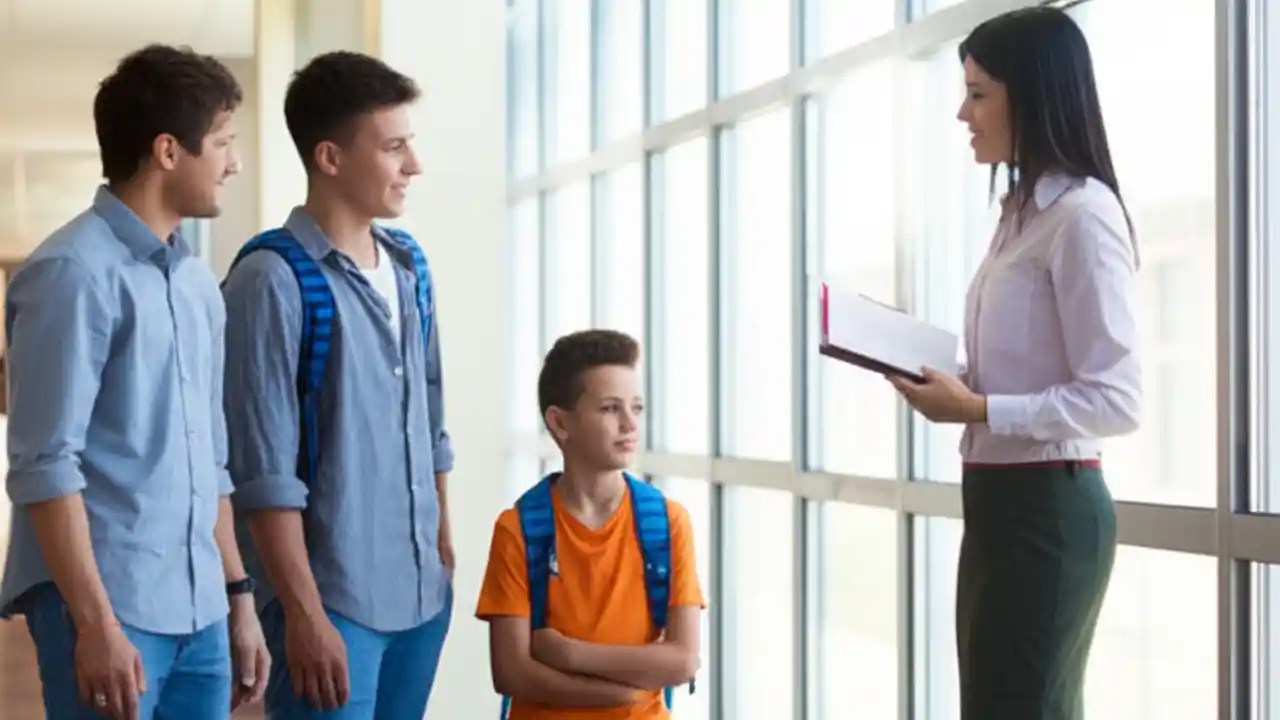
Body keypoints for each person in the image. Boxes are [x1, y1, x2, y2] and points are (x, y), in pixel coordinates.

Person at [0, 44, 270, 719]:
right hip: (109, 608)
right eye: (223, 142)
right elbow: (44, 467)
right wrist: (94, 624)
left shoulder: (196, 283)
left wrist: (238, 596)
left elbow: (209, 459)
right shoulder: (71, 274)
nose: (234, 162)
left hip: (200, 607)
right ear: (168, 151)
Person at [887, 7, 1141, 719]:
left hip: (1048, 511)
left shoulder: (1083, 216)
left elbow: (1117, 397)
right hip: (998, 501)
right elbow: (1028, 365)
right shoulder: (1020, 211)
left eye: (977, 93)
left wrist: (978, 408)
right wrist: (954, 381)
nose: (962, 113)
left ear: (1028, 96)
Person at [221, 51, 454, 719]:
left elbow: (432, 413)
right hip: (332, 605)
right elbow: (261, 473)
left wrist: (441, 541)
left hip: (421, 599)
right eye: (394, 147)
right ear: (330, 158)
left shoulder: (411, 268)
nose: (414, 165)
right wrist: (302, 613)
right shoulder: (270, 278)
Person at [476, 330, 705, 719]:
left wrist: (569, 653)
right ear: (560, 423)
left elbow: (683, 661)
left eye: (637, 407)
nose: (630, 424)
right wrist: (616, 695)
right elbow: (512, 672)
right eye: (610, 409)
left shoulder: (668, 523)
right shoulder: (519, 530)